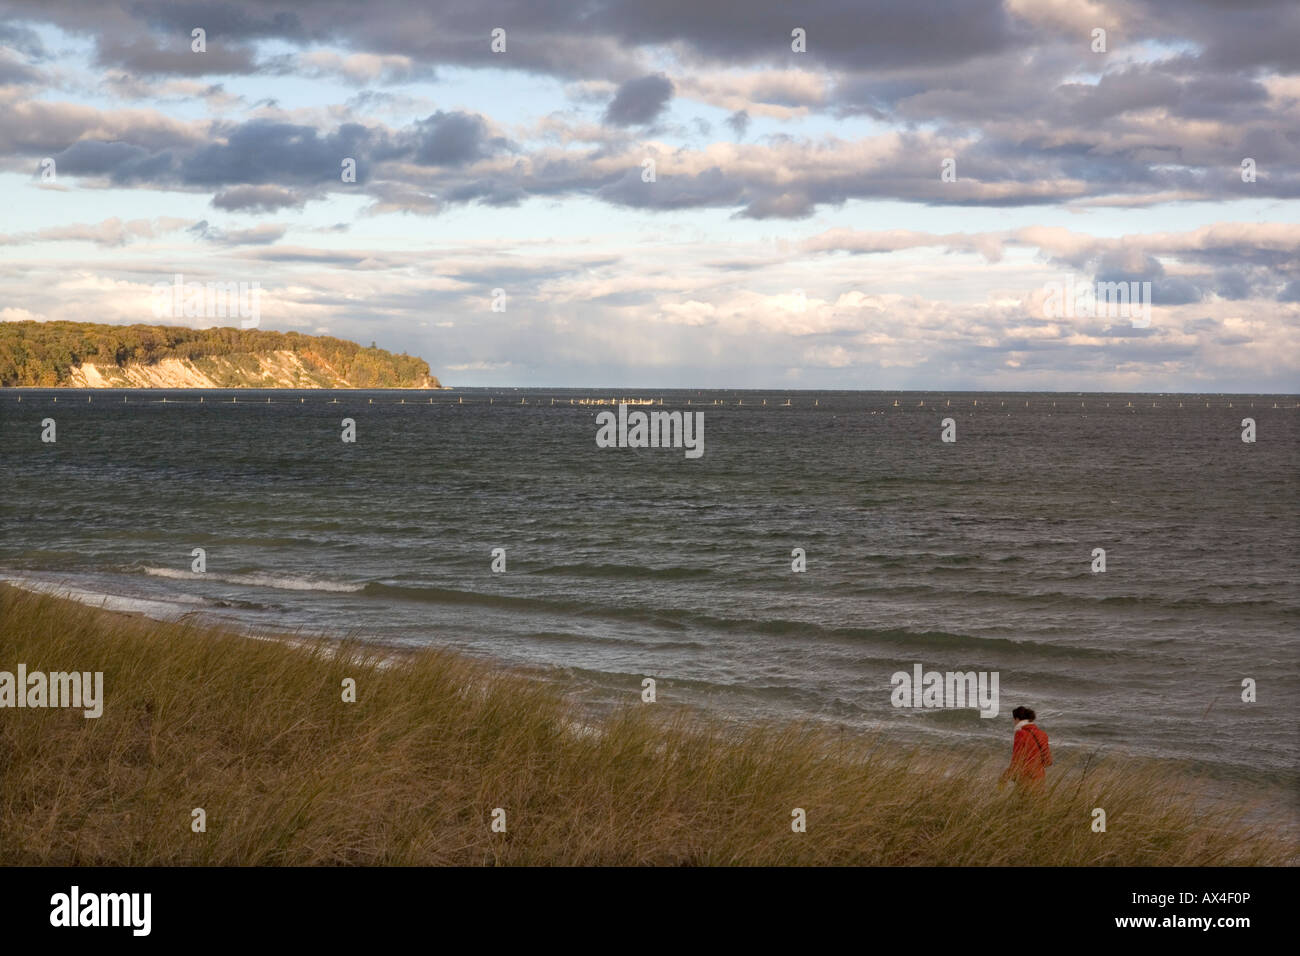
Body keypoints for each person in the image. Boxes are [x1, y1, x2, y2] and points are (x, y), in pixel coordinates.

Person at [999, 706, 1051, 791]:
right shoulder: (1042, 734)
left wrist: (1005, 777)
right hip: (1040, 777)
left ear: (1017, 719)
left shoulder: (1020, 734)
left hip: (1025, 778)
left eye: (1014, 720)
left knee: (1022, 802)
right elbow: (1047, 761)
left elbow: (1017, 759)